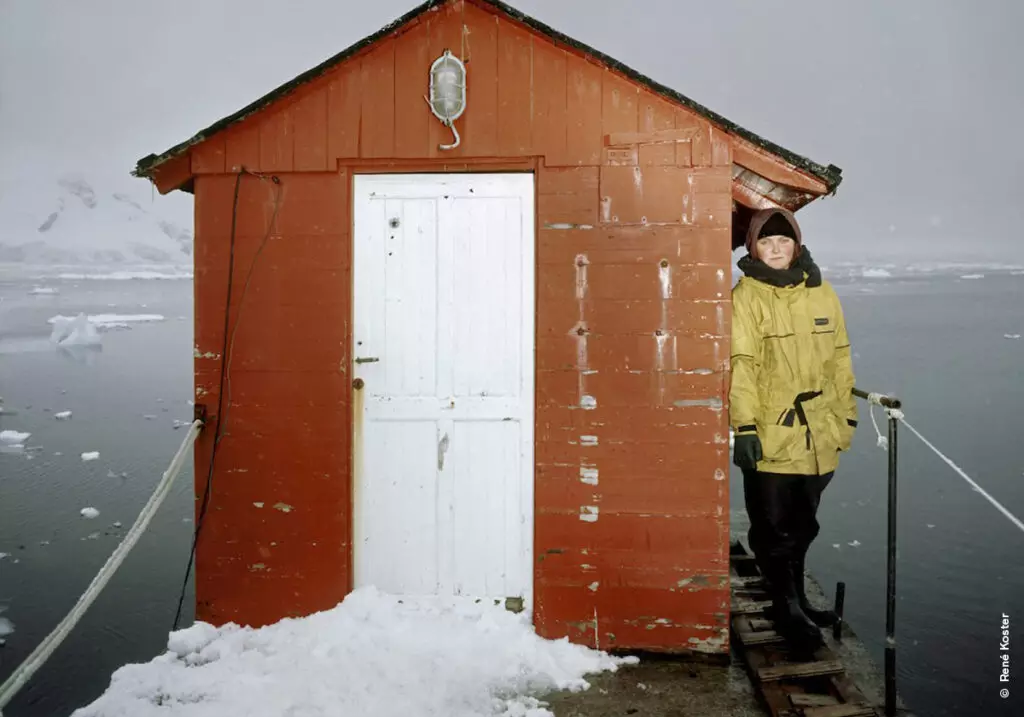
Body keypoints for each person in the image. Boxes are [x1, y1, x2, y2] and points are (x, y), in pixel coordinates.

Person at [729, 207, 858, 657]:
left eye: (784, 241)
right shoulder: (746, 297)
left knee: (804, 525)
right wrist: (744, 426)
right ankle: (786, 608)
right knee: (773, 527)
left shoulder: (823, 295)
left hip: (821, 435)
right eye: (767, 242)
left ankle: (797, 598)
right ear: (754, 248)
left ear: (796, 245)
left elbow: (840, 360)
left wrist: (846, 418)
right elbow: (741, 366)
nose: (777, 249)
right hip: (772, 433)